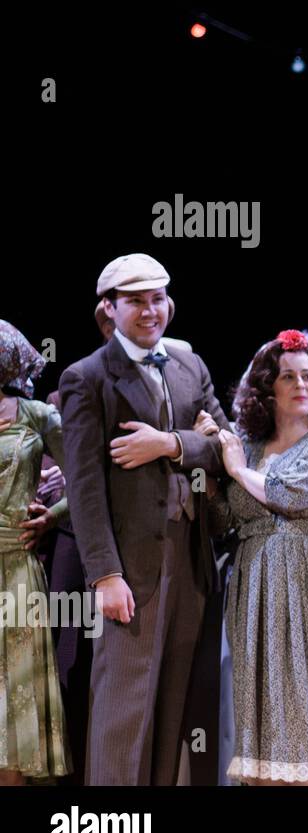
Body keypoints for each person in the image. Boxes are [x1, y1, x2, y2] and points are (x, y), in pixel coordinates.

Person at [59, 253, 230, 785]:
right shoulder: (87, 378)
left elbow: (224, 444)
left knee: (170, 707)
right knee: (123, 709)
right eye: (136, 300)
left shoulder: (188, 365)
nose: (150, 310)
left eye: (157, 298)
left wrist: (172, 443)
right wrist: (105, 575)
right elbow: (84, 489)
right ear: (110, 308)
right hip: (131, 566)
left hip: (189, 557)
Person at [210, 330, 308, 785]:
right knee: (257, 719)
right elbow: (221, 521)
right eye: (288, 376)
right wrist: (211, 473)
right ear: (267, 387)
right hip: (254, 584)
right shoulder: (248, 446)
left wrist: (234, 470)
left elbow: (287, 494)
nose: (301, 385)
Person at [0, 320, 71, 783]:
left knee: (14, 701)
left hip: (16, 567)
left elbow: (87, 475)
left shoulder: (34, 414)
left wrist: (53, 515)